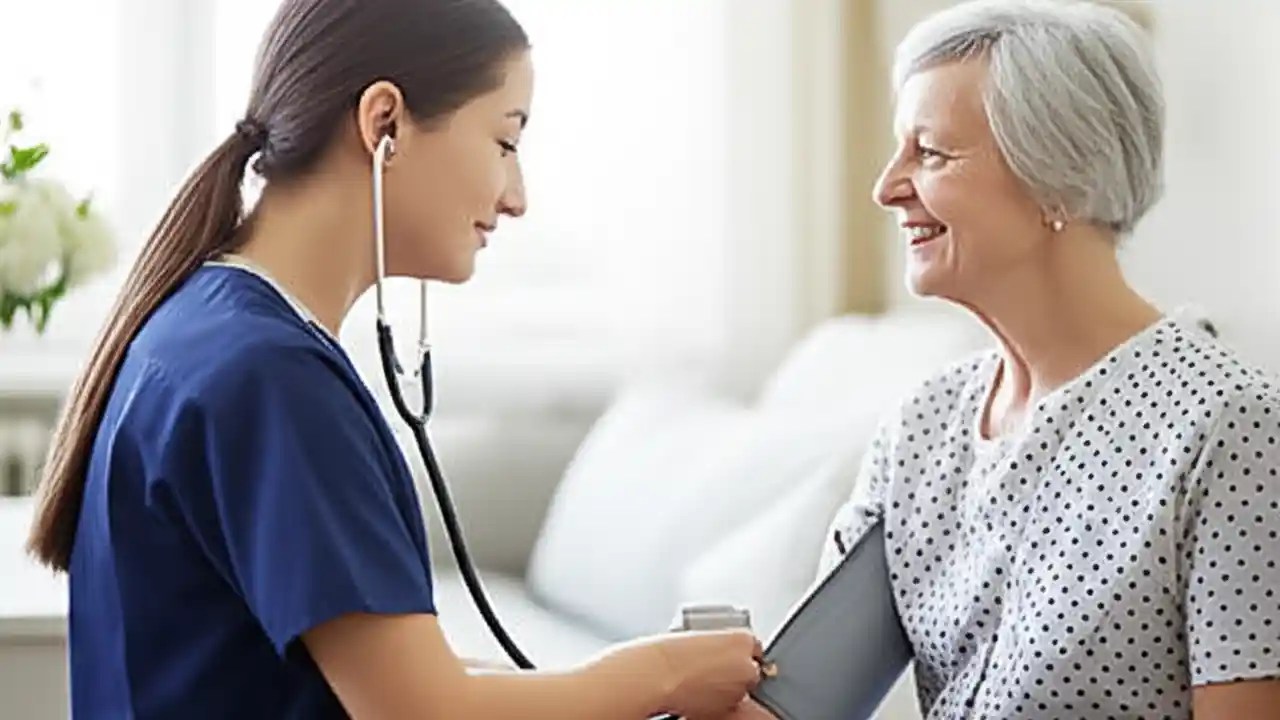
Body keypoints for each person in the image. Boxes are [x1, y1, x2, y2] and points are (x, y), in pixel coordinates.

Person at [24, 0, 765, 717]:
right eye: (505, 143)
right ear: (385, 123)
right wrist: (662, 675)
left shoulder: (208, 329)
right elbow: (424, 713)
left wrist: (641, 688)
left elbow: (389, 685)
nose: (517, 197)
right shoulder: (273, 380)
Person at [730, 1, 1280, 719]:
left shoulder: (1231, 429)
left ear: (1060, 173)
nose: (886, 188)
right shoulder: (921, 428)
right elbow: (799, 706)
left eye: (930, 152)